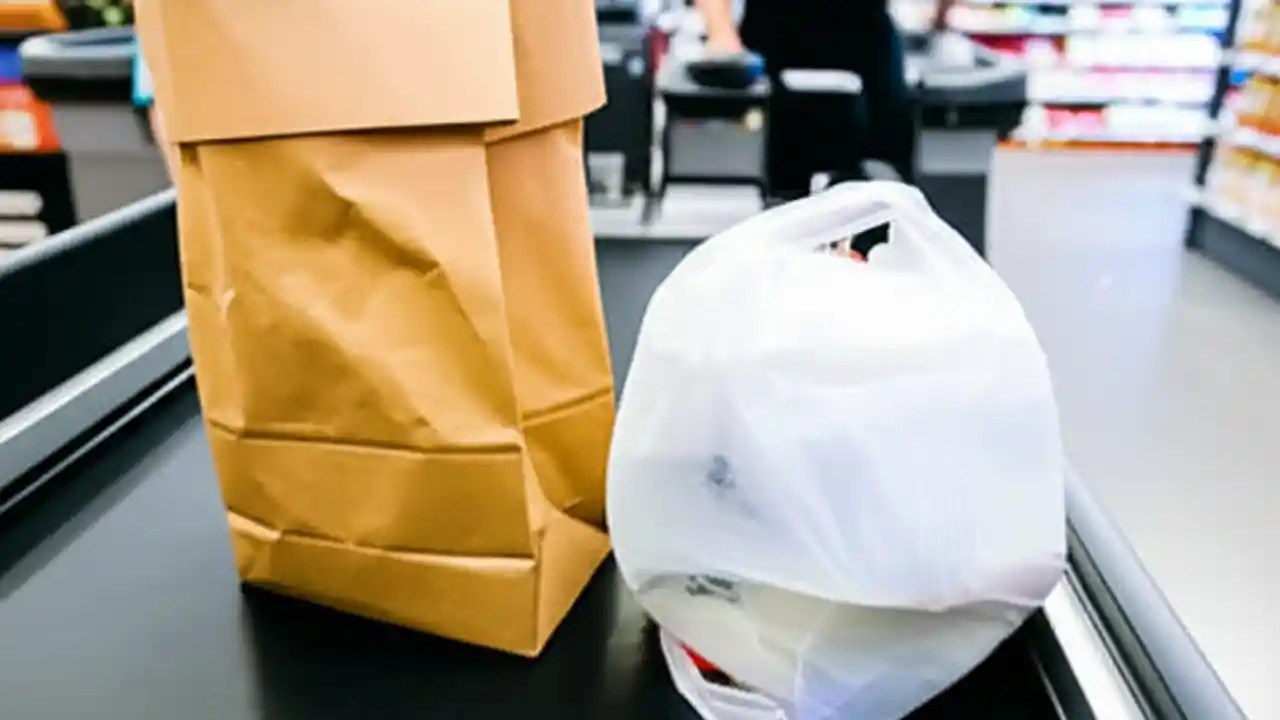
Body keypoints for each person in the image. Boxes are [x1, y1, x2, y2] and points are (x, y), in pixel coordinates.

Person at [695, 0, 952, 195]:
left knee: (889, 174)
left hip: (863, 36)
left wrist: (940, 17)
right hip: (777, 34)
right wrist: (721, 33)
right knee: (783, 171)